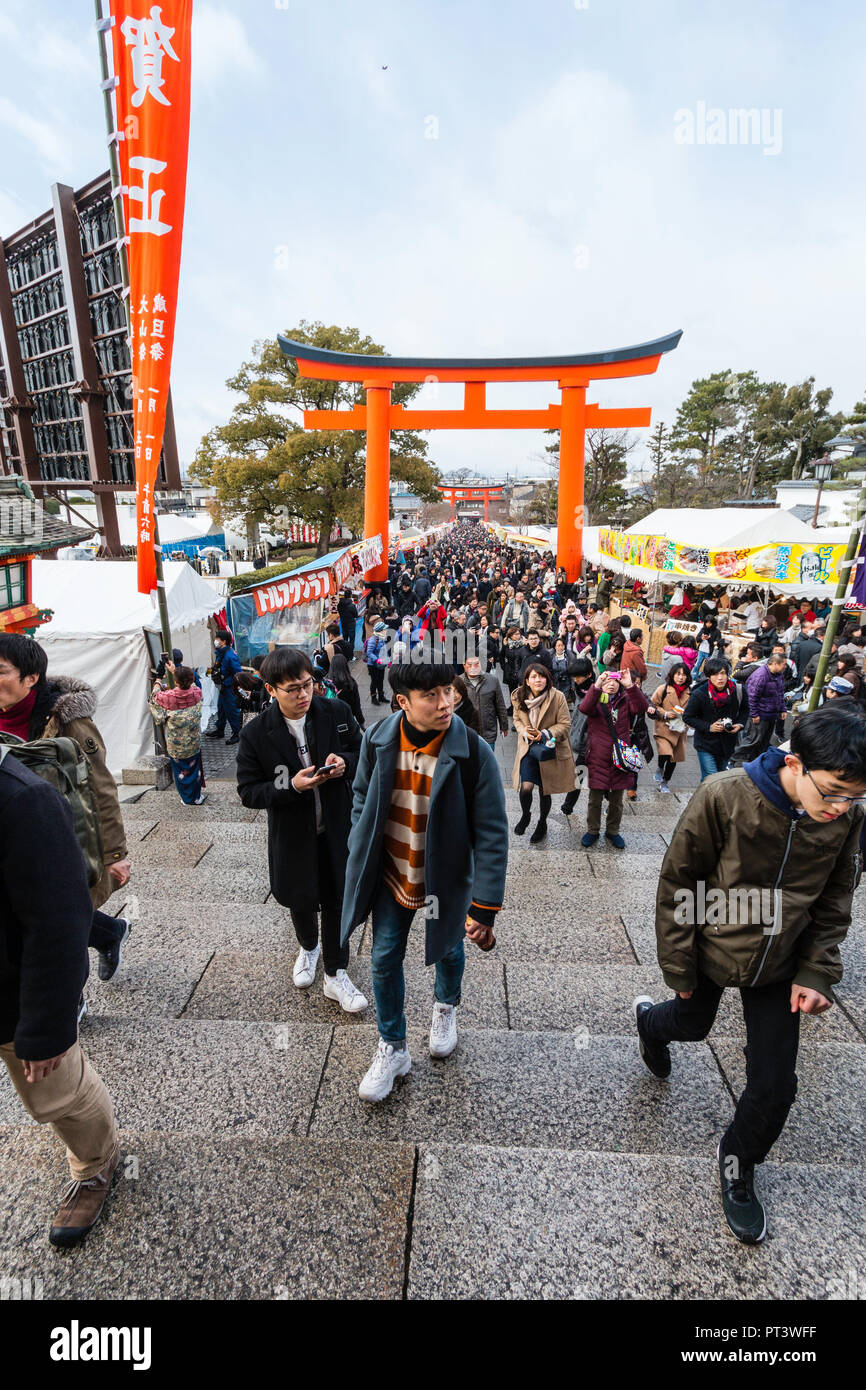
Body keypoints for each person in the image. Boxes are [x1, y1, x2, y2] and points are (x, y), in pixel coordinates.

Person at [634, 703, 866, 1244]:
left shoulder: (848, 816)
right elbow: (678, 886)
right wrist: (679, 965)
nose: (839, 807)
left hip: (782, 963)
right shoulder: (725, 796)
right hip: (713, 944)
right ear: (794, 761)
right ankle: (650, 1023)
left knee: (776, 1085)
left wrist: (817, 971)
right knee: (692, 1023)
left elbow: (836, 900)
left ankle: (739, 1161)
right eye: (831, 790)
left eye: (854, 796)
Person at [341, 663, 508, 1101]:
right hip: (392, 872)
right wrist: (361, 837)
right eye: (431, 695)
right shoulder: (378, 739)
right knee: (382, 958)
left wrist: (484, 905)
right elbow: (360, 793)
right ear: (403, 702)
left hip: (445, 879)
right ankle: (393, 1046)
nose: (445, 702)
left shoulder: (474, 752)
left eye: (448, 692)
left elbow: (492, 832)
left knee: (448, 950)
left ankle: (445, 1007)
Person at [0, 747, 120, 1246]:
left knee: (56, 1095)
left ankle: (97, 1160)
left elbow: (61, 921)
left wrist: (49, 1028)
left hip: (13, 995)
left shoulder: (24, 799)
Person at [236, 648, 367, 1013]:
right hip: (293, 833)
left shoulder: (335, 712)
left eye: (308, 684)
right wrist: (290, 787)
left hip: (339, 826)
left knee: (338, 897)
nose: (303, 694)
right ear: (272, 689)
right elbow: (247, 791)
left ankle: (336, 973)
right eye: (292, 689)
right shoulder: (257, 734)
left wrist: (346, 763)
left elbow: (364, 753)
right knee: (300, 895)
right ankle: (308, 947)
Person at [0, 634, 131, 990]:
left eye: (1, 671)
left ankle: (69, 1004)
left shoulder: (68, 722)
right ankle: (109, 932)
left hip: (64, 836)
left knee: (57, 921)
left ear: (31, 678)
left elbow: (101, 786)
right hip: (12, 836)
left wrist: (114, 854)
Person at [578, 667, 650, 848]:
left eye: (615, 681)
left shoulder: (626, 699)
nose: (611, 685)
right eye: (608, 681)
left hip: (620, 757)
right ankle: (592, 830)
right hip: (598, 756)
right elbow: (584, 708)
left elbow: (641, 708)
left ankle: (613, 831)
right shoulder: (595, 697)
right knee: (594, 799)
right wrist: (596, 685)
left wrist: (631, 686)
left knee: (617, 800)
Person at [511, 662, 574, 843]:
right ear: (527, 681)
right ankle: (525, 815)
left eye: (542, 676)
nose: (538, 680)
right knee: (526, 788)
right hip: (528, 748)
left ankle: (542, 822)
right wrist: (524, 731)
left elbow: (565, 725)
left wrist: (544, 734)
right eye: (534, 677)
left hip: (548, 749)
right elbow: (517, 720)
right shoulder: (518, 696)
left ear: (547, 679)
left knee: (545, 790)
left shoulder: (558, 697)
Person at [149, 663, 206, 805]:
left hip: (176, 744)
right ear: (191, 679)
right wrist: (176, 671)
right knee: (194, 769)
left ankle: (186, 798)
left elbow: (154, 696)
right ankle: (197, 796)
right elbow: (192, 685)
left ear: (175, 682)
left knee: (180, 771)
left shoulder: (168, 698)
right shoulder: (196, 693)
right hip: (193, 741)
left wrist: (158, 679)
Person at [683, 657, 746, 780]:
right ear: (708, 676)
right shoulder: (699, 694)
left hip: (727, 743)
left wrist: (740, 724)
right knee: (711, 776)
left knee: (719, 777)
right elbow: (687, 717)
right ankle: (706, 798)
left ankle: (704, 797)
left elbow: (745, 709)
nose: (720, 678)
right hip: (705, 743)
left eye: (723, 673)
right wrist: (709, 727)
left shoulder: (737, 690)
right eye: (715, 674)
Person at [729, 653, 788, 765]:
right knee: (752, 740)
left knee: (763, 742)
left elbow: (780, 693)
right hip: (761, 715)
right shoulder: (760, 676)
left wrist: (782, 709)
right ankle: (733, 760)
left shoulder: (779, 675)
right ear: (775, 663)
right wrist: (754, 714)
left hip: (771, 714)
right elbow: (751, 697)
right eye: (784, 664)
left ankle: (754, 763)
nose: (785, 667)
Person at [649, 663, 691, 793]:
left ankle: (665, 781)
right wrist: (666, 713)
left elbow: (694, 711)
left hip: (680, 730)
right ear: (672, 675)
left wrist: (687, 716)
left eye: (684, 674)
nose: (680, 677)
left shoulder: (690, 692)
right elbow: (653, 704)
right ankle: (660, 767)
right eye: (678, 674)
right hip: (664, 728)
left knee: (674, 758)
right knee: (666, 752)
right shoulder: (663, 689)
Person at [561, 658, 595, 817]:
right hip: (579, 738)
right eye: (573, 677)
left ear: (589, 675)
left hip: (593, 742)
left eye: (578, 676)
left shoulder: (598, 690)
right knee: (579, 774)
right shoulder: (578, 687)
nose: (575, 680)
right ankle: (568, 805)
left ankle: (610, 798)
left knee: (596, 777)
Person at [462, 654, 509, 749]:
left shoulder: (492, 680)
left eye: (476, 664)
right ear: (464, 665)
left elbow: (500, 704)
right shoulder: (458, 682)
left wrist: (504, 725)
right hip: (465, 733)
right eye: (469, 665)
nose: (473, 668)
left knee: (487, 761)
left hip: (488, 731)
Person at [206, 629, 243, 745]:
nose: (215, 641)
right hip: (221, 687)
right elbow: (217, 667)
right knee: (221, 709)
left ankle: (237, 733)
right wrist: (209, 672)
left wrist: (233, 686)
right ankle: (220, 730)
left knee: (232, 711)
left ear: (224, 641)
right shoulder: (220, 653)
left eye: (217, 639)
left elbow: (238, 673)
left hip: (229, 688)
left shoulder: (230, 655)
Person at [328, 653, 366, 729]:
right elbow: (356, 706)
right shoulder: (351, 683)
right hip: (348, 720)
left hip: (332, 722)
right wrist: (361, 722)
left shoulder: (328, 683)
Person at [363, 620, 390, 706]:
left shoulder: (382, 639)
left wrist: (388, 661)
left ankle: (381, 696)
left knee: (381, 680)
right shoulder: (372, 640)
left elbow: (385, 651)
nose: (386, 631)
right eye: (384, 630)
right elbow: (369, 652)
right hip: (373, 665)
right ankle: (373, 698)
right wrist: (376, 659)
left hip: (381, 664)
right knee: (374, 681)